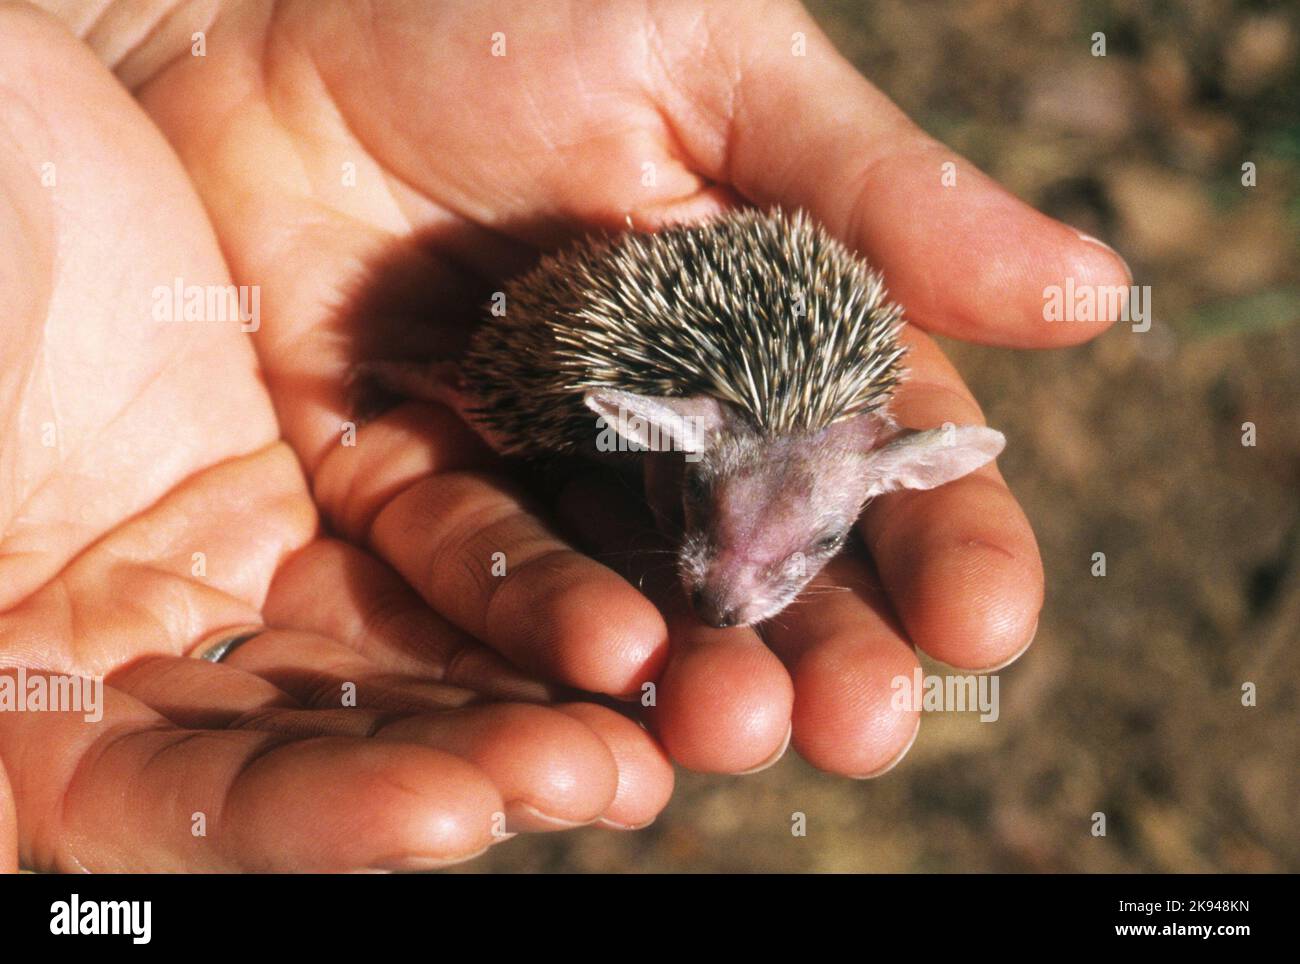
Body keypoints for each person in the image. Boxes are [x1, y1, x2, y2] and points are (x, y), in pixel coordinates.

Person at [0, 0, 1128, 872]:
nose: (729, 596)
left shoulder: (811, 436)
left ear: (894, 466)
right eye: (717, 530)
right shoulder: (668, 420)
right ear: (669, 435)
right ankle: (454, 387)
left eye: (795, 556)